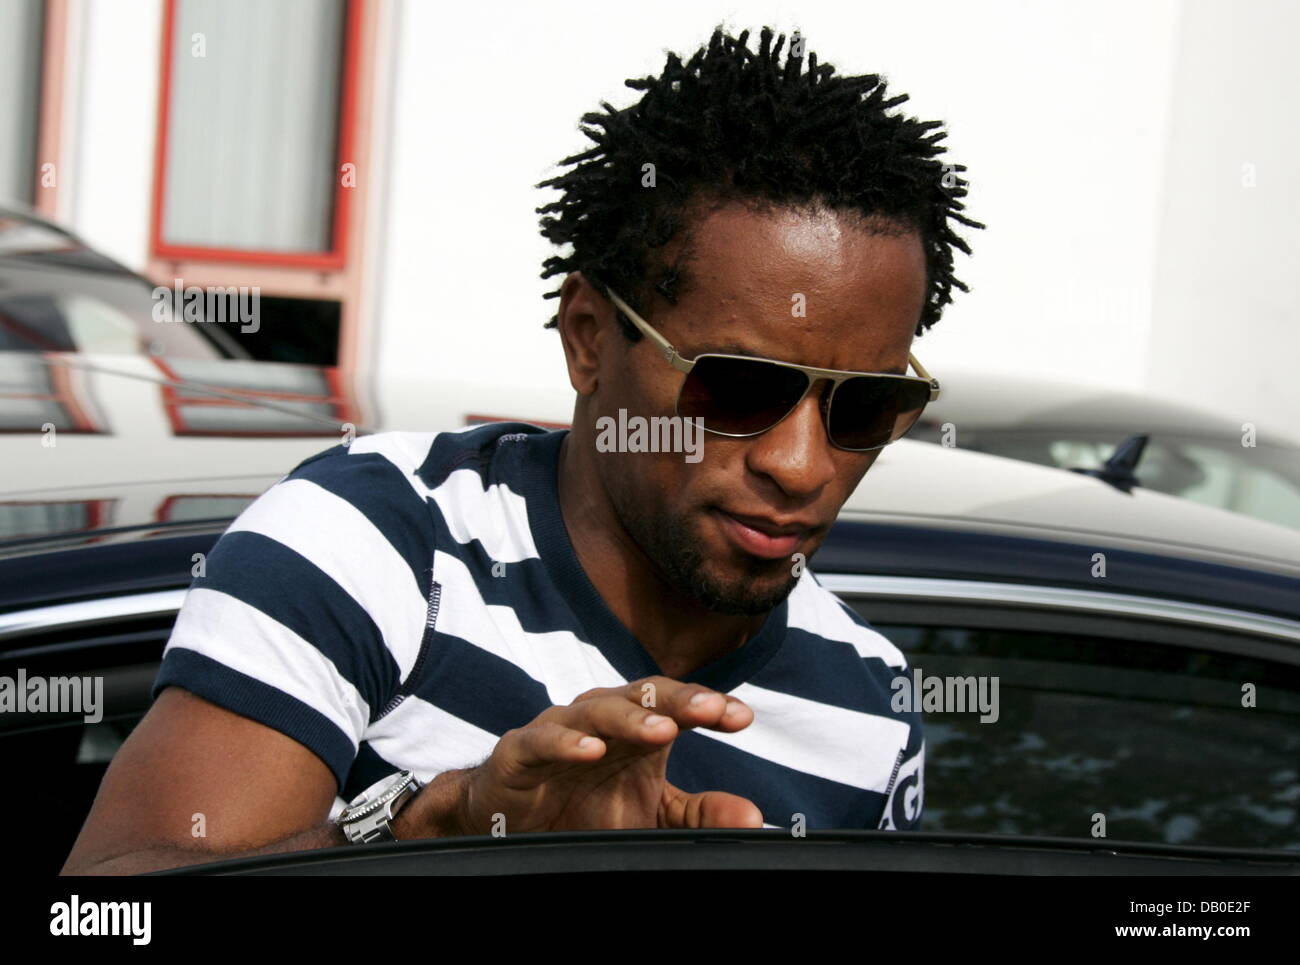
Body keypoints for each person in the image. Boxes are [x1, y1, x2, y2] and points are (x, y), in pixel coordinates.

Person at [62, 24, 981, 874]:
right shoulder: (375, 544)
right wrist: (431, 829)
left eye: (867, 405)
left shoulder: (869, 707)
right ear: (588, 337)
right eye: (735, 388)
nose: (803, 464)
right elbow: (107, 911)